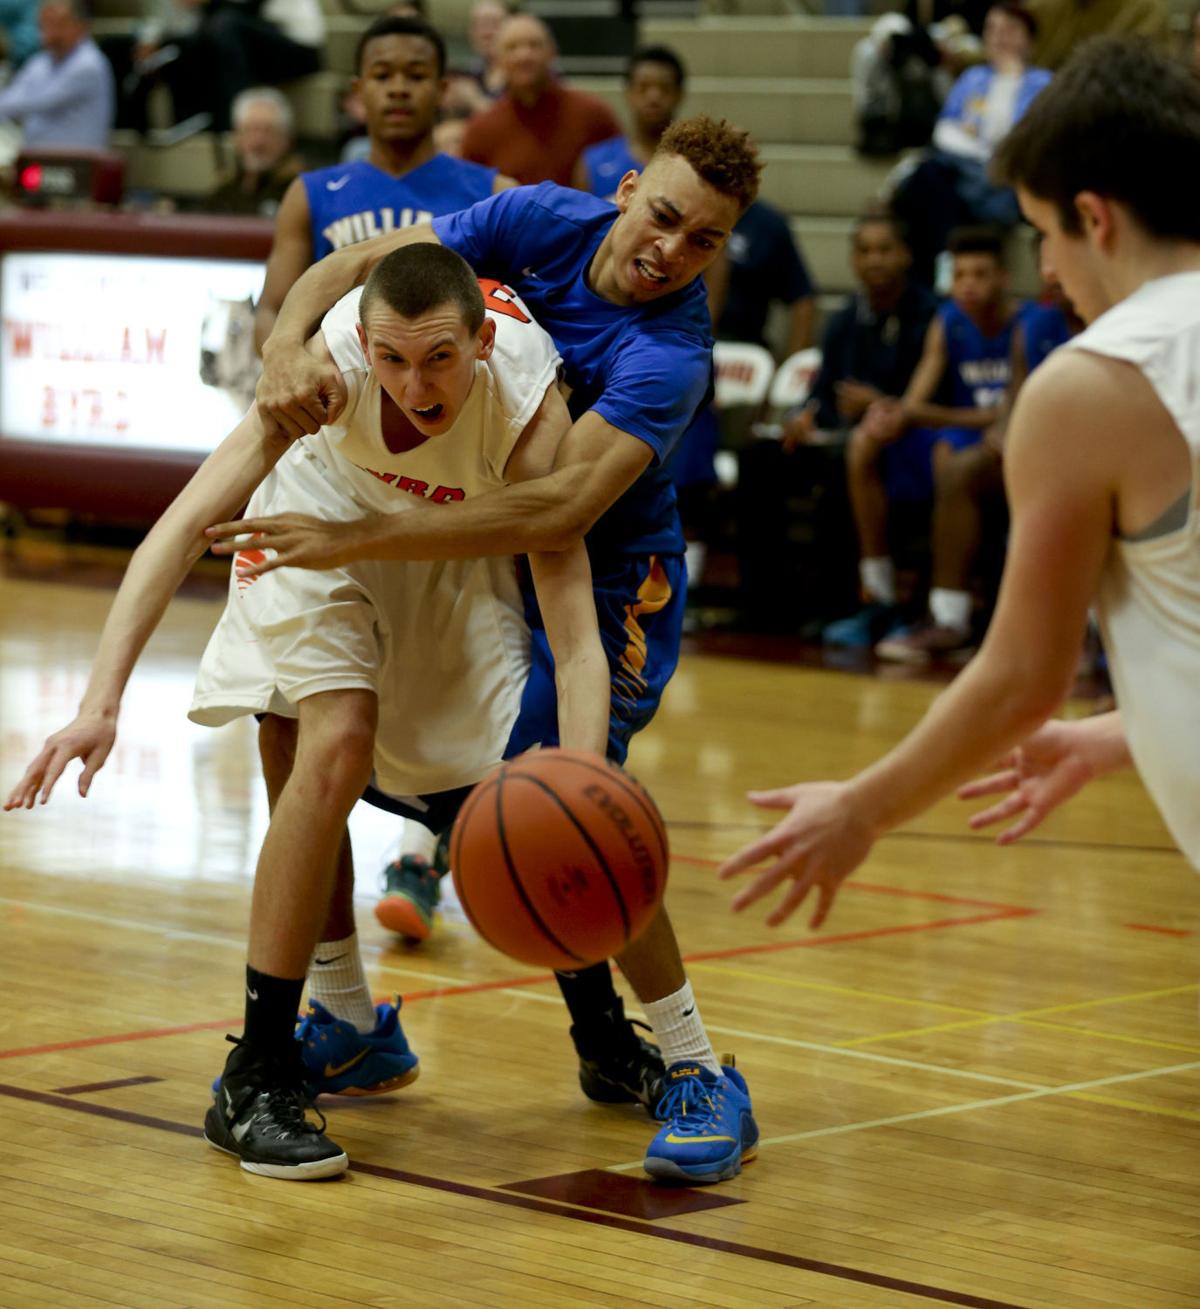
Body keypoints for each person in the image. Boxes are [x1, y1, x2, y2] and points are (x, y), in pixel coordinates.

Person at [208, 115, 765, 1185]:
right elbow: (373, 261)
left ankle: (694, 1066)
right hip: (472, 535)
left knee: (567, 803)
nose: (670, 250)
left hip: (600, 576)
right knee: (301, 730)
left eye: (704, 240)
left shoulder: (669, 353)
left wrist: (363, 533)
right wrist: (283, 341)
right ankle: (350, 1016)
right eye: (662, 216)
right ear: (629, 184)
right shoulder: (542, 216)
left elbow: (556, 507)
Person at [6, 243, 611, 1180]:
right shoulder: (321, 378)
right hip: (311, 531)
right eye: (394, 359)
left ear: (484, 342)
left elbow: (575, 640)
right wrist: (100, 702)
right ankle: (255, 1075)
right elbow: (178, 527)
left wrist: (584, 772)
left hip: (446, 552)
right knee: (332, 745)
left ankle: (619, 1036)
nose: (416, 384)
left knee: (529, 784)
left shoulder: (530, 416)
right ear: (362, 346)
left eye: (441, 358)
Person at [717, 37, 1200, 929]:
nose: (1047, 270)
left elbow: (1023, 675)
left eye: (1045, 235)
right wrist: (1116, 736)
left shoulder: (1094, 382)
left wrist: (861, 808)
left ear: (1094, 219)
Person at [255, 15, 514, 351]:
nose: (398, 88)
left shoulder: (495, 193)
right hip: (338, 393)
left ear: (442, 90)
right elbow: (270, 310)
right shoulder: (309, 193)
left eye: (416, 75)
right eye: (382, 75)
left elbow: (516, 314)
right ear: (359, 91)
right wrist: (286, 363)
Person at [825, 225, 1027, 648]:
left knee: (947, 458)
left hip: (1006, 445)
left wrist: (929, 414)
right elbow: (915, 402)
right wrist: (888, 412)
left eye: (980, 275)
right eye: (960, 276)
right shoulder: (948, 319)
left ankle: (935, 606)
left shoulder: (1024, 324)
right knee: (866, 441)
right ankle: (878, 595)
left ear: (1004, 278)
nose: (968, 285)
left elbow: (1012, 415)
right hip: (960, 435)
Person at [734, 213, 937, 632]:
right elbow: (822, 392)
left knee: (840, 465)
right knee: (758, 459)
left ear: (905, 255)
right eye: (864, 251)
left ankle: (837, 605)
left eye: (884, 249)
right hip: (835, 436)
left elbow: (932, 401)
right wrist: (800, 417)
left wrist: (879, 404)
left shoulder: (930, 315)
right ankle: (767, 605)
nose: (874, 260)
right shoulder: (846, 317)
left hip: (897, 442)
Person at [875, 273, 1077, 663]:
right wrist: (1004, 431)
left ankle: (1080, 634)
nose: (1052, 270)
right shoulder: (1034, 326)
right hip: (1035, 449)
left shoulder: (1120, 319)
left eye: (981, 274)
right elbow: (1012, 403)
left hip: (1099, 453)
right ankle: (947, 618)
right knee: (958, 468)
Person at [891, 3, 1050, 285]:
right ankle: (940, 275)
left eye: (1010, 30)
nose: (1000, 38)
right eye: (992, 30)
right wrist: (984, 156)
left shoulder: (1042, 83)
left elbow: (1021, 140)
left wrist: (1011, 80)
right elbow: (945, 132)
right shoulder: (972, 77)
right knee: (927, 179)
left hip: (1010, 180)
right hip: (968, 172)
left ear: (1030, 40)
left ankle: (949, 276)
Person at [459, 13, 620, 187]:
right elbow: (467, 196)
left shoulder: (593, 114)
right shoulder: (480, 130)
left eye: (534, 45)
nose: (524, 55)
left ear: (553, 53)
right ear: (498, 60)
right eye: (512, 48)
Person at [574, 44, 686, 201]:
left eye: (664, 88)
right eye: (643, 87)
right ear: (629, 92)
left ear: (679, 94)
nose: (653, 97)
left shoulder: (696, 165)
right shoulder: (592, 163)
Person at [0, 0, 114, 149]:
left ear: (80, 26)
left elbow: (35, 101)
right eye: (45, 25)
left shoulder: (89, 64)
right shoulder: (39, 62)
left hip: (81, 162)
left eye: (59, 24)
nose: (50, 32)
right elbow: (12, 96)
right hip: (41, 159)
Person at [201, 86, 301, 217]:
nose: (258, 142)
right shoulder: (223, 191)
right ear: (236, 137)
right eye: (251, 130)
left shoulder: (300, 191)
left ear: (286, 140)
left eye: (268, 131)